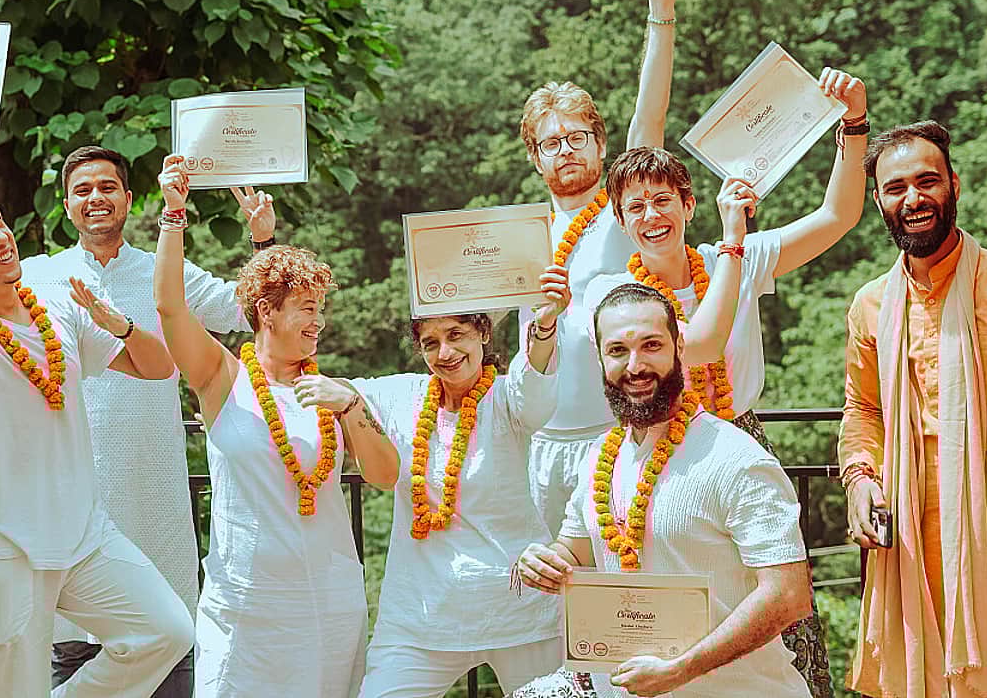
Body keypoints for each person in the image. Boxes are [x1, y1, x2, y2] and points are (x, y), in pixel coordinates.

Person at [0, 113, 194, 697]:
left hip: (82, 533)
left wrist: (118, 323)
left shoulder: (58, 307)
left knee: (166, 631)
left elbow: (160, 367)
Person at [581, 71, 869, 696]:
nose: (652, 215)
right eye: (636, 206)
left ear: (688, 204)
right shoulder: (620, 297)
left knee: (783, 620)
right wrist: (735, 244)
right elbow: (699, 345)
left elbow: (839, 215)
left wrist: (852, 126)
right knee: (679, 612)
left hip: (736, 441)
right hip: (655, 446)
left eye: (664, 199)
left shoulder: (728, 257)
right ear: (622, 223)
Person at [21, 145, 275, 696]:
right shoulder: (38, 277)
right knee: (73, 649)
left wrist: (262, 241)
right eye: (83, 190)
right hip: (74, 493)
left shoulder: (165, 271)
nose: (96, 199)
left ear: (130, 200)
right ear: (66, 206)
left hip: (154, 485)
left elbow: (246, 312)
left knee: (170, 640)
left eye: (107, 187)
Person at [840, 120, 987, 697]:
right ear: (879, 201)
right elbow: (862, 408)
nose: (913, 198)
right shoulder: (870, 306)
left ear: (954, 185)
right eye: (896, 188)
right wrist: (860, 478)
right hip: (911, 543)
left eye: (927, 181)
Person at [153, 155, 385, 697]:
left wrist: (350, 406)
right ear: (267, 312)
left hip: (326, 601)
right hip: (247, 603)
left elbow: (382, 472)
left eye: (320, 308)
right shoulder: (221, 376)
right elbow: (168, 308)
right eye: (307, 307)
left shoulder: (331, 390)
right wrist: (173, 213)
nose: (318, 321)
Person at [288, 256, 572, 697]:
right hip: (421, 617)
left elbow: (533, 389)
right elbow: (338, 392)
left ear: (483, 333)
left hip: (520, 608)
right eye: (431, 342)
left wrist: (544, 327)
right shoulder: (402, 394)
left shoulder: (505, 398)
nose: (445, 352)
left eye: (456, 335)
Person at [514, 282, 812, 698]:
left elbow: (788, 596)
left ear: (679, 347)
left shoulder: (736, 457)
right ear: (600, 359)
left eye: (650, 345)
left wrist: (680, 671)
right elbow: (575, 552)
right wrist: (542, 562)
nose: (635, 366)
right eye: (617, 351)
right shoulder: (601, 454)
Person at [521, 0, 686, 542]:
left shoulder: (621, 209)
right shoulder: (519, 233)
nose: (564, 149)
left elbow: (650, 124)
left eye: (575, 137)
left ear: (598, 141)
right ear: (536, 158)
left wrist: (660, 12)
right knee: (547, 603)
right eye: (550, 142)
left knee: (623, 577)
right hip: (537, 445)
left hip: (615, 432)